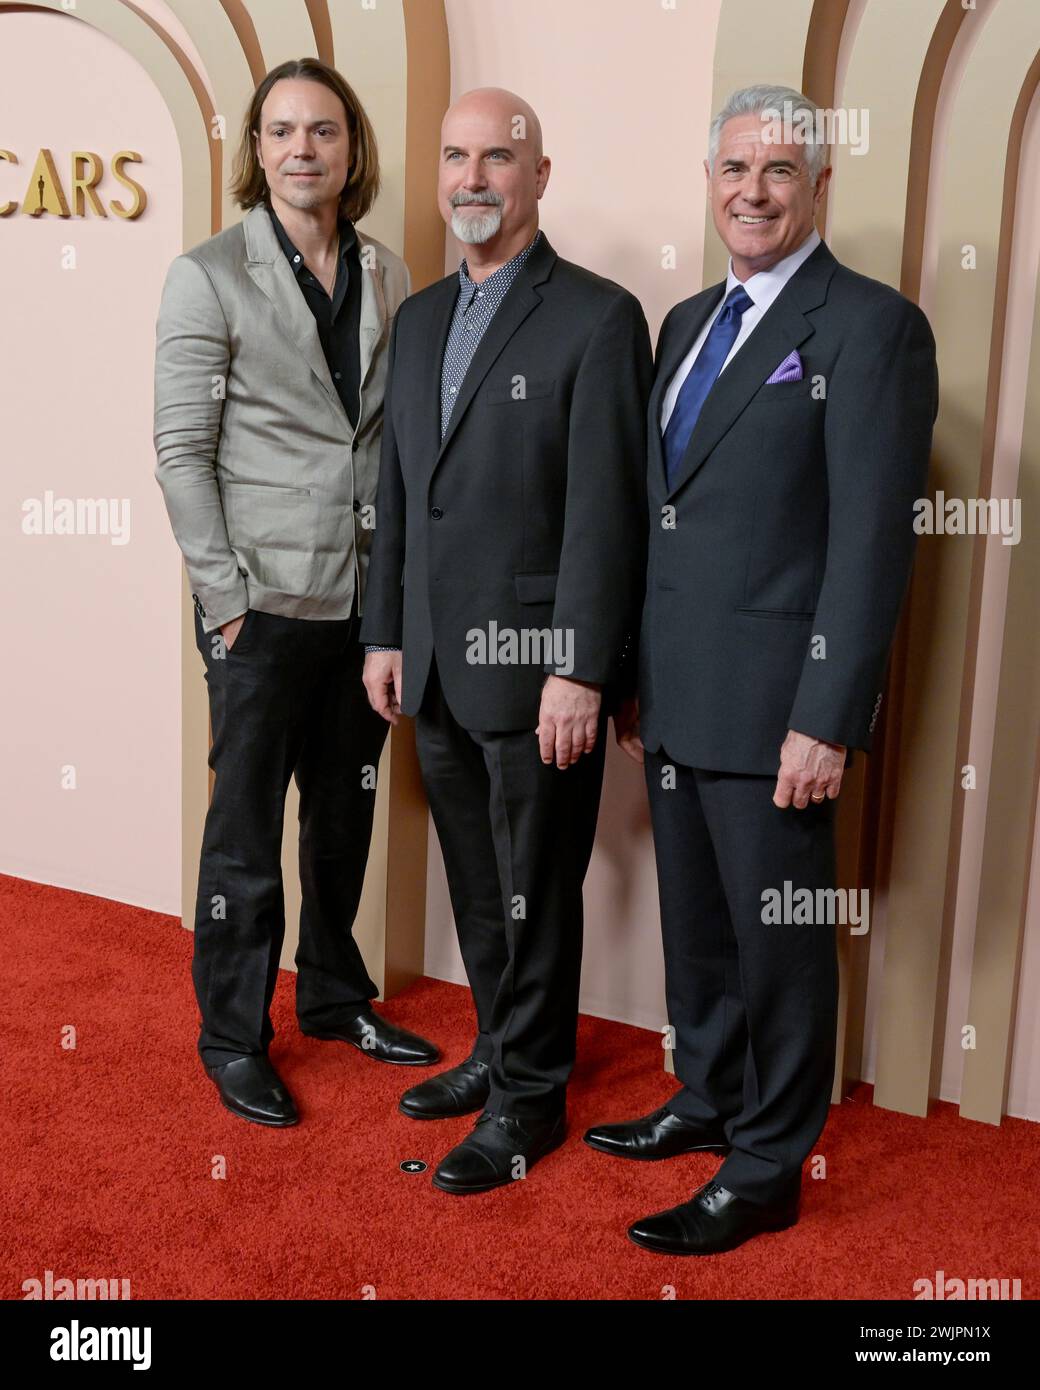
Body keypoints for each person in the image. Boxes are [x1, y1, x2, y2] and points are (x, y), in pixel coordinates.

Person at [585, 84, 938, 1254]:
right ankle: (707, 1097)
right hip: (677, 699)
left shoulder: (868, 328)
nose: (753, 191)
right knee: (699, 932)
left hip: (782, 707)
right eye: (734, 169)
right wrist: (629, 670)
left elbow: (868, 545)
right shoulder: (686, 323)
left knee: (777, 942)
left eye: (778, 172)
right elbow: (658, 516)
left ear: (818, 188)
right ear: (710, 178)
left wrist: (826, 717)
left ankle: (768, 1161)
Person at [360, 87, 652, 1194]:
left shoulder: (596, 315)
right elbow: (399, 493)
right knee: (479, 886)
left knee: (537, 884)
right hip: (431, 663)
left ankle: (530, 1099)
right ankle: (493, 1047)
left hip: (538, 674)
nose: (472, 178)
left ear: (538, 175)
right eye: (454, 157)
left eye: (496, 157)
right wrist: (384, 632)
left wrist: (580, 666)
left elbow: (604, 512)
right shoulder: (422, 316)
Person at [153, 57, 437, 1129]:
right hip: (259, 607)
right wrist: (226, 602)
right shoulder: (208, 274)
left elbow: (393, 444)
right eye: (281, 132)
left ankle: (331, 996)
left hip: (359, 608)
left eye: (322, 131)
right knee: (242, 837)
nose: (302, 150)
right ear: (256, 150)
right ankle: (231, 1034)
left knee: (342, 820)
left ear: (350, 148)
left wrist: (394, 604)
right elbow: (182, 453)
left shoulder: (392, 272)